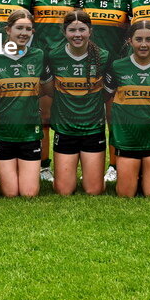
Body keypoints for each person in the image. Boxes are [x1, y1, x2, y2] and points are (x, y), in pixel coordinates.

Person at [28, 0, 80, 187]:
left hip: (67, 59)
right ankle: (44, 165)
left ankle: (70, 163)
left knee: (70, 112)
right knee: (45, 116)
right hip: (41, 60)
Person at [106, 20, 150, 198]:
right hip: (127, 139)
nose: (143, 44)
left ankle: (144, 173)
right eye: (138, 39)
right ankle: (132, 174)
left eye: (148, 39)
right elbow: (102, 97)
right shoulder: (117, 66)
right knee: (126, 194)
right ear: (130, 41)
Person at [76, 0, 130, 183]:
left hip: (114, 68)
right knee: (85, 117)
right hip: (88, 67)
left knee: (113, 119)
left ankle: (114, 165)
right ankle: (79, 163)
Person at [45, 11, 110, 196]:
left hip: (93, 129)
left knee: (94, 190)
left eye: (82, 29)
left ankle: (94, 176)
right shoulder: (54, 56)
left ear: (90, 31)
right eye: (72, 30)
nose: (77, 34)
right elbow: (50, 91)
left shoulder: (103, 56)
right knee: (63, 191)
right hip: (65, 130)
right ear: (64, 32)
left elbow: (107, 92)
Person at [0, 9, 45, 198]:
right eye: (19, 28)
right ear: (8, 30)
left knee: (29, 194)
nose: (23, 33)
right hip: (3, 133)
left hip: (29, 133)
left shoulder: (38, 55)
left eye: (28, 29)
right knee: (10, 193)